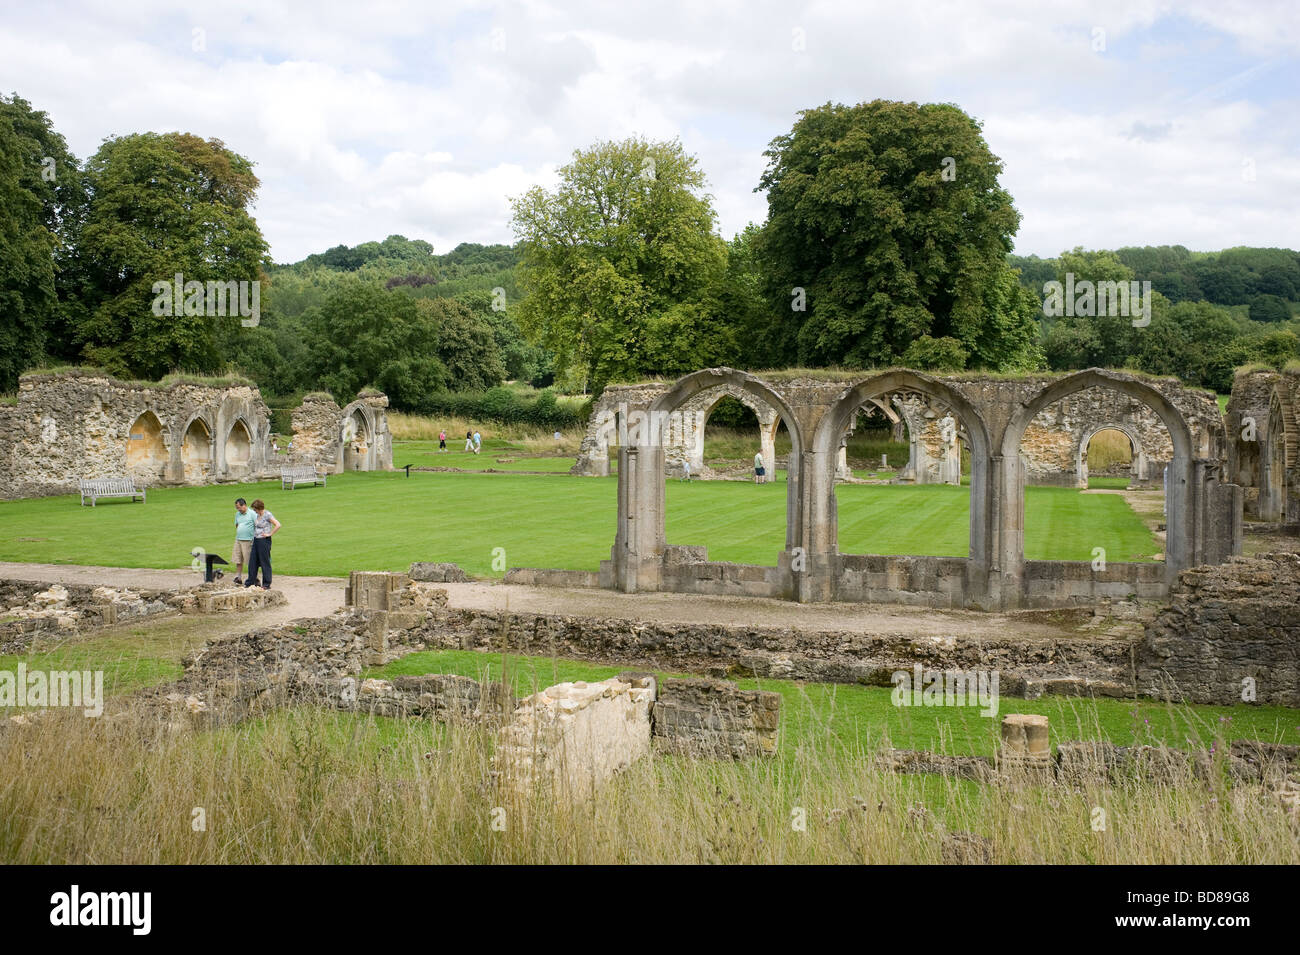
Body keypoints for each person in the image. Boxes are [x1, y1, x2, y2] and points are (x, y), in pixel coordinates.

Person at [245, 499, 281, 590]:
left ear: (259, 508)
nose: (254, 511)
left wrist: (270, 534)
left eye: (255, 509)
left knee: (265, 562)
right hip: (256, 540)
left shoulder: (267, 514)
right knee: (252, 561)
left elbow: (278, 524)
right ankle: (250, 582)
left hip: (264, 541)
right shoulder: (256, 515)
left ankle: (266, 584)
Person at [231, 498, 255, 585]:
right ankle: (238, 577)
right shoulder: (238, 514)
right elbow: (237, 525)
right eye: (237, 508)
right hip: (238, 539)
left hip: (248, 540)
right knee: (238, 559)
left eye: (239, 507)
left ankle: (253, 578)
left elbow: (257, 525)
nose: (238, 509)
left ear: (244, 505)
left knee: (249, 561)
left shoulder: (252, 513)